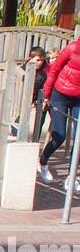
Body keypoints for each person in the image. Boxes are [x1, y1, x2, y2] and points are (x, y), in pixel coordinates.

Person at [37, 37, 80, 187]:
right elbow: (54, 70)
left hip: (78, 98)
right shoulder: (73, 48)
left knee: (79, 138)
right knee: (59, 135)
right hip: (60, 95)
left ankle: (71, 177)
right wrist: (46, 96)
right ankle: (42, 162)